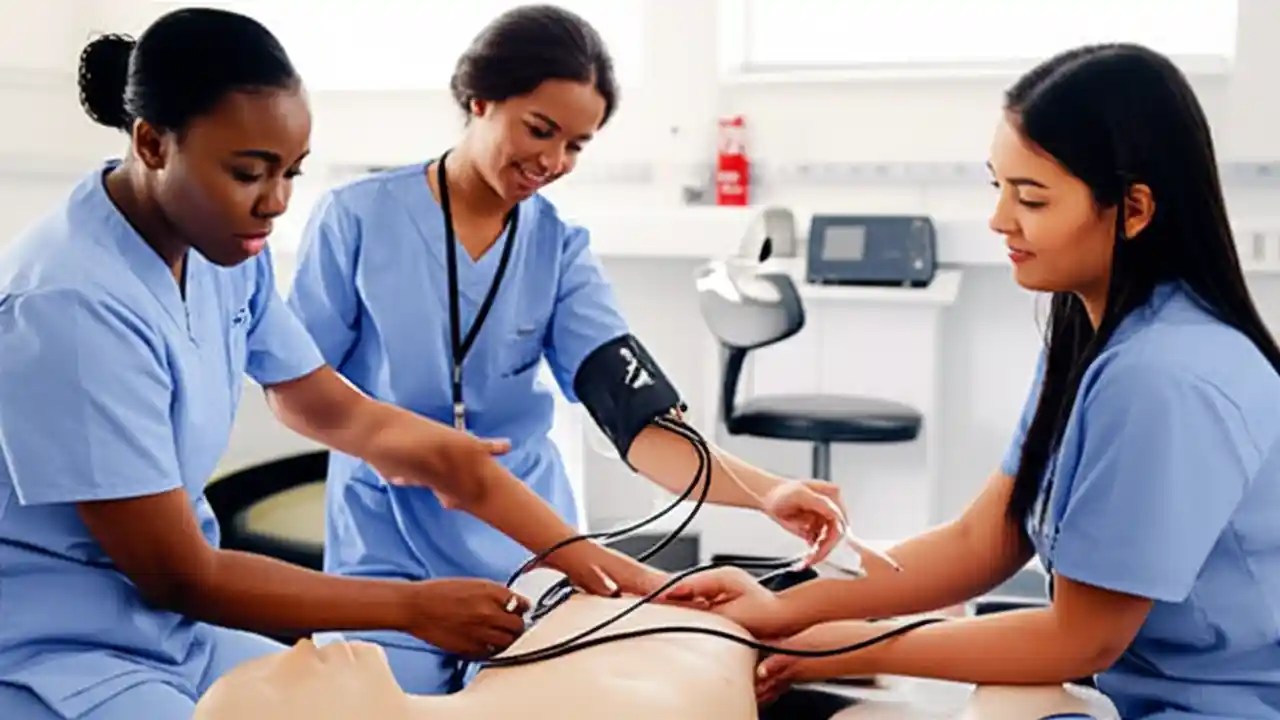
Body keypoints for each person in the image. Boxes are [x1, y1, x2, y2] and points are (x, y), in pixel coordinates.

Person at [0, 9, 670, 720]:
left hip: (172, 634)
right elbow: (178, 574)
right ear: (151, 143)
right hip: (61, 648)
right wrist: (411, 608)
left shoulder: (220, 246)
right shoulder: (70, 306)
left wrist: (624, 574)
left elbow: (338, 409)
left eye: (290, 172)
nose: (276, 204)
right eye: (248, 173)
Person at [662, 43, 1280, 719]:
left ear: (1133, 209)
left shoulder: (1163, 380)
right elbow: (982, 541)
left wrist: (849, 646)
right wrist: (786, 606)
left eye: (1031, 197)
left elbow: (1079, 640)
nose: (999, 219)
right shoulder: (1093, 336)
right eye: (998, 188)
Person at [285, 3, 853, 694]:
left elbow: (638, 422)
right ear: (480, 99)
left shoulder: (558, 249)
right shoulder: (357, 218)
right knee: (382, 702)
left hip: (531, 545)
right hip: (386, 542)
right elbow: (295, 389)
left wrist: (770, 493)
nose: (554, 162)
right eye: (540, 129)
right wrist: (384, 440)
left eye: (577, 145)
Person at [189, 582, 1119, 720]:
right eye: (274, 677)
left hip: (762, 640)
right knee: (1037, 691)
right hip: (767, 658)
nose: (299, 644)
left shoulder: (480, 692)